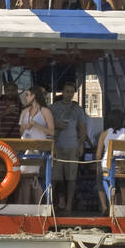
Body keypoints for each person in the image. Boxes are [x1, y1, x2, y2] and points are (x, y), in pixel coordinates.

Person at [50, 80, 89, 214]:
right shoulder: (53, 107)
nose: (69, 94)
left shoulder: (78, 110)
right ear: (63, 92)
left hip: (72, 146)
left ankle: (68, 205)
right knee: (54, 177)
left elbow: (83, 128)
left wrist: (81, 145)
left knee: (71, 178)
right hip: (57, 146)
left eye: (71, 92)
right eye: (67, 91)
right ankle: (50, 203)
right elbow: (47, 125)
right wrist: (56, 125)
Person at [17, 85, 54, 203]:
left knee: (31, 176)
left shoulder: (45, 111)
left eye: (28, 95)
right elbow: (21, 131)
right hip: (25, 148)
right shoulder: (24, 112)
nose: (26, 97)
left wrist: (36, 125)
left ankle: (34, 205)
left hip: (38, 149)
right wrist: (24, 128)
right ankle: (27, 205)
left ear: (34, 96)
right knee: (25, 178)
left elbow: (52, 132)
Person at [95, 109, 125, 211]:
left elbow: (98, 155)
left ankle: (105, 206)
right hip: (120, 166)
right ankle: (123, 204)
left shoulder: (104, 134)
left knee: (100, 180)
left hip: (107, 166)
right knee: (124, 180)